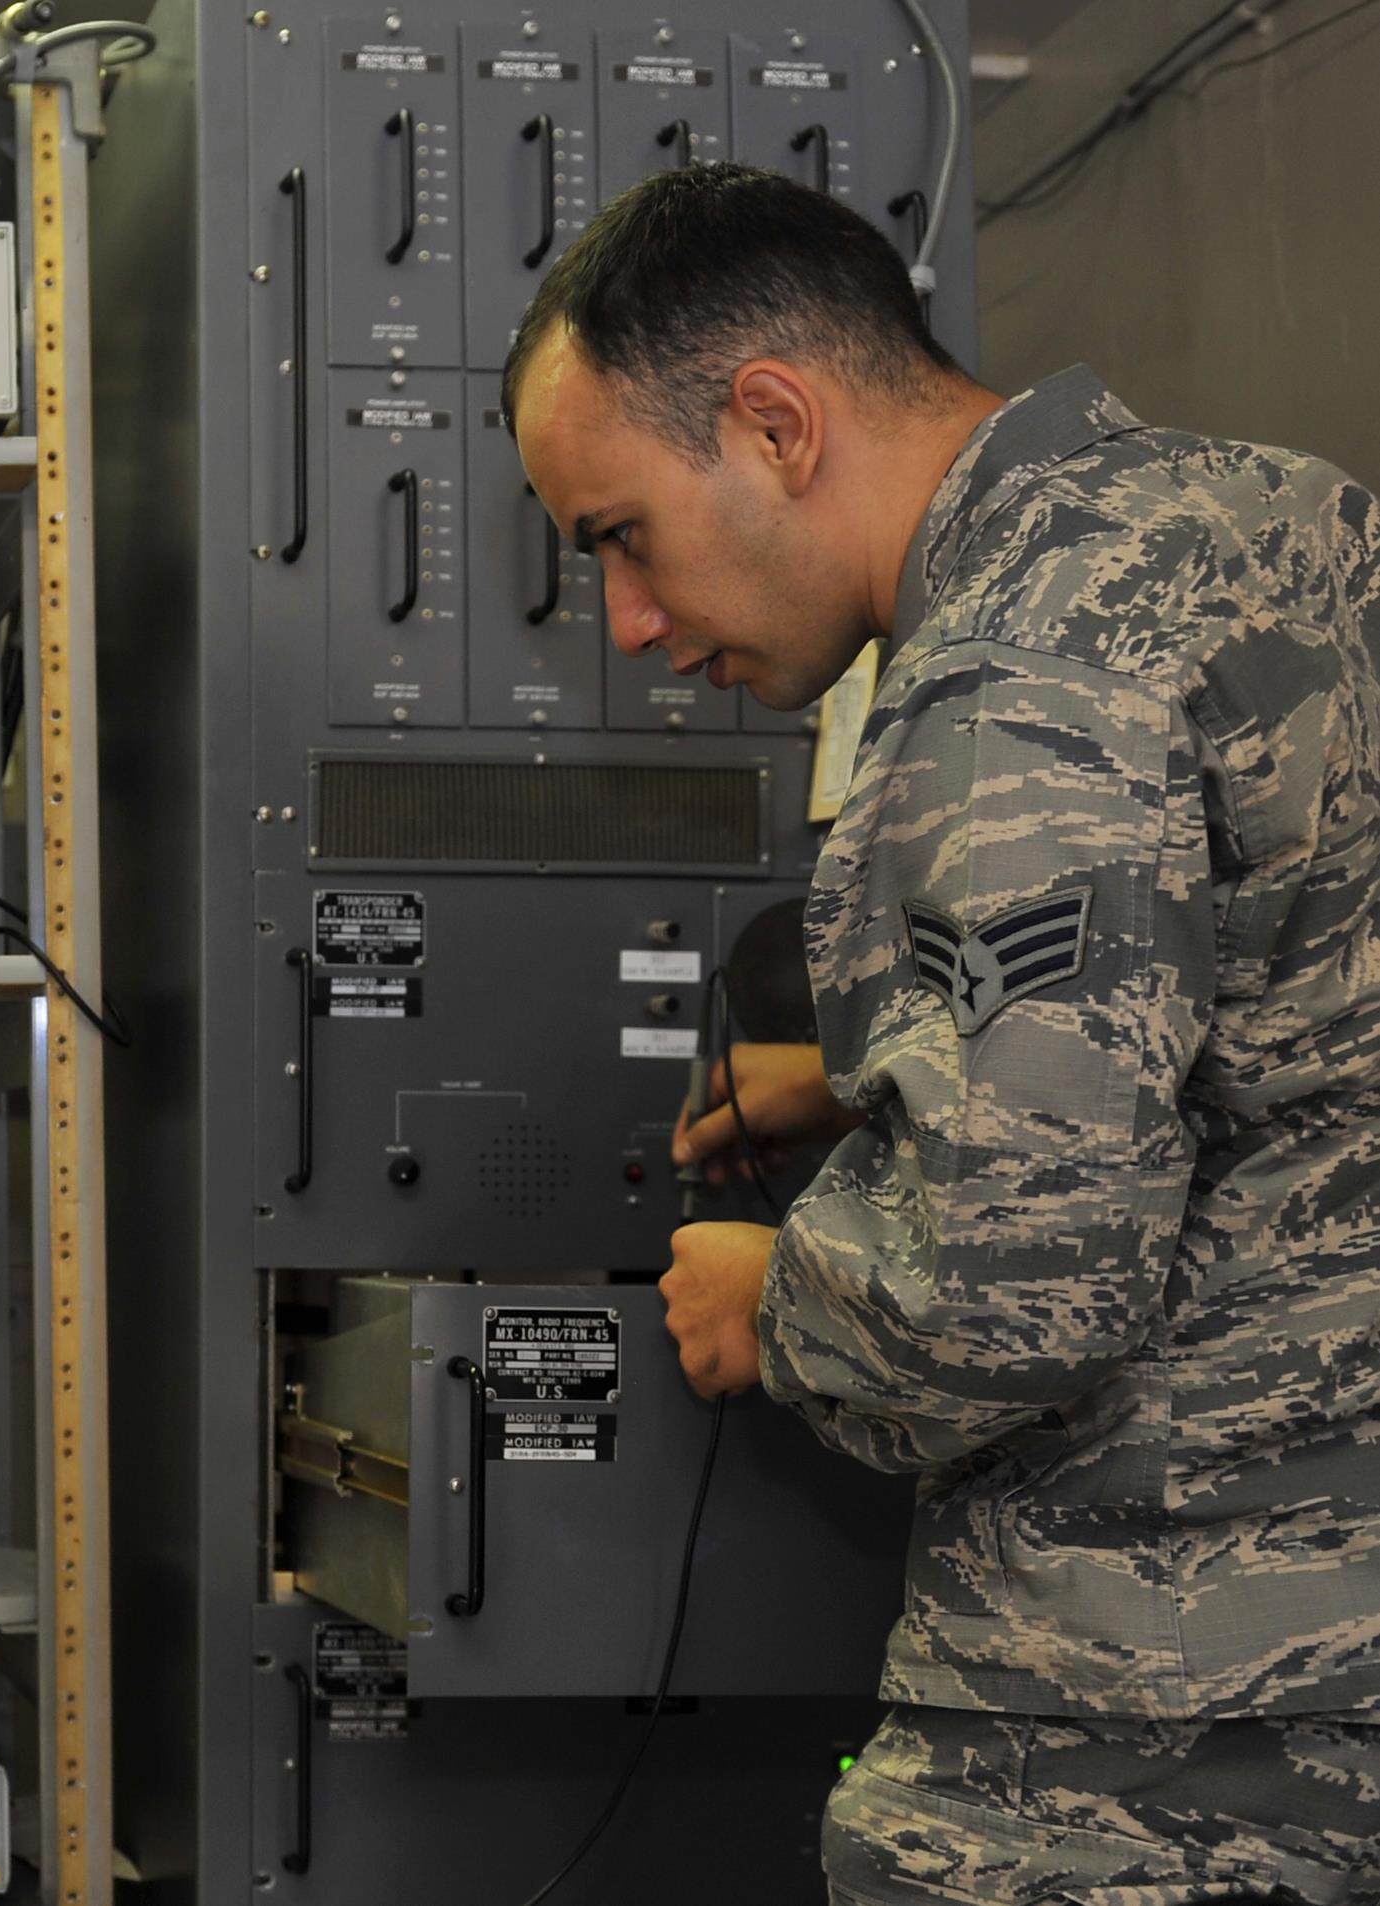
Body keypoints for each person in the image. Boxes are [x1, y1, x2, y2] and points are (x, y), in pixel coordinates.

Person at [506, 164, 1380, 1901]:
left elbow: (1012, 1278)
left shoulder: (1011, 677)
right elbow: (1278, 1027)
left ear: (773, 425)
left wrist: (776, 1297)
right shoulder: (1286, 517)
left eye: (620, 535)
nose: (630, 623)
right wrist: (867, 1085)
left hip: (1152, 1730)